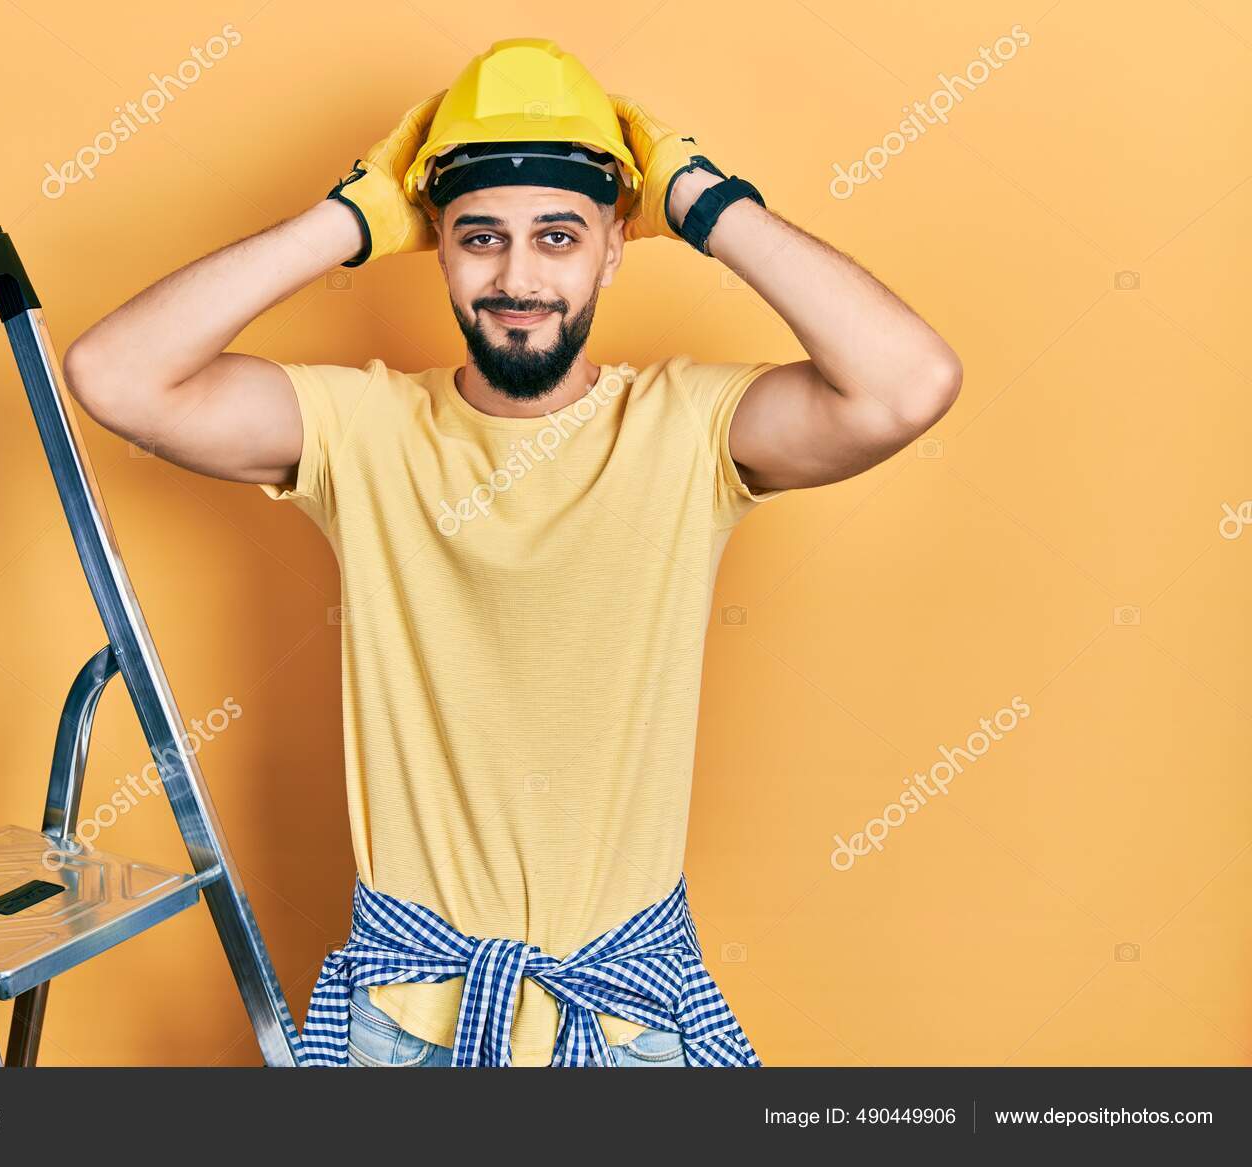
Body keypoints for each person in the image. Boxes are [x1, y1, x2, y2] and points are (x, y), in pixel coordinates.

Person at [61, 39, 962, 1068]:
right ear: (433, 245)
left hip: (626, 1016)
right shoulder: (363, 431)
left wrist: (705, 201)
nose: (517, 277)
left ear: (616, 247)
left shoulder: (685, 430)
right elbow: (114, 375)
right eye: (479, 236)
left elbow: (907, 385)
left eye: (559, 237)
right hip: (405, 1018)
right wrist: (347, 220)